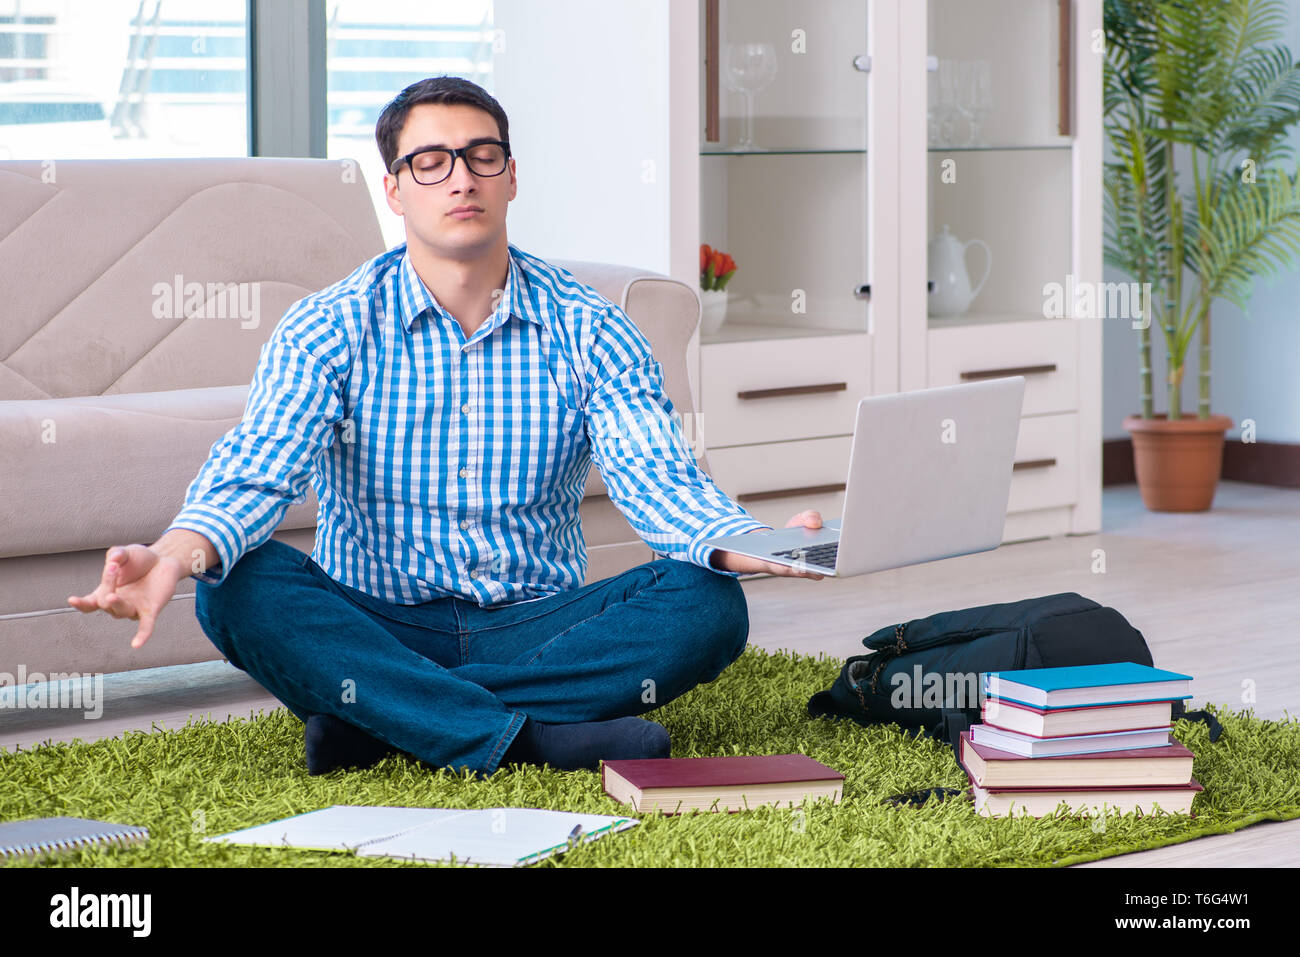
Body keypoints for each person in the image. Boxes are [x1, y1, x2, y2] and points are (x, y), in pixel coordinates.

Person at [68, 76, 825, 778]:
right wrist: (174, 550)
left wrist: (740, 542)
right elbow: (256, 468)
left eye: (481, 156)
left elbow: (654, 474)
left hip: (537, 624)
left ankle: (382, 722)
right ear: (395, 190)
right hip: (379, 626)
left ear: (511, 177)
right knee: (231, 584)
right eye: (430, 162)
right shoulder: (329, 326)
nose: (461, 177)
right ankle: (529, 736)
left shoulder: (592, 327)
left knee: (707, 600)